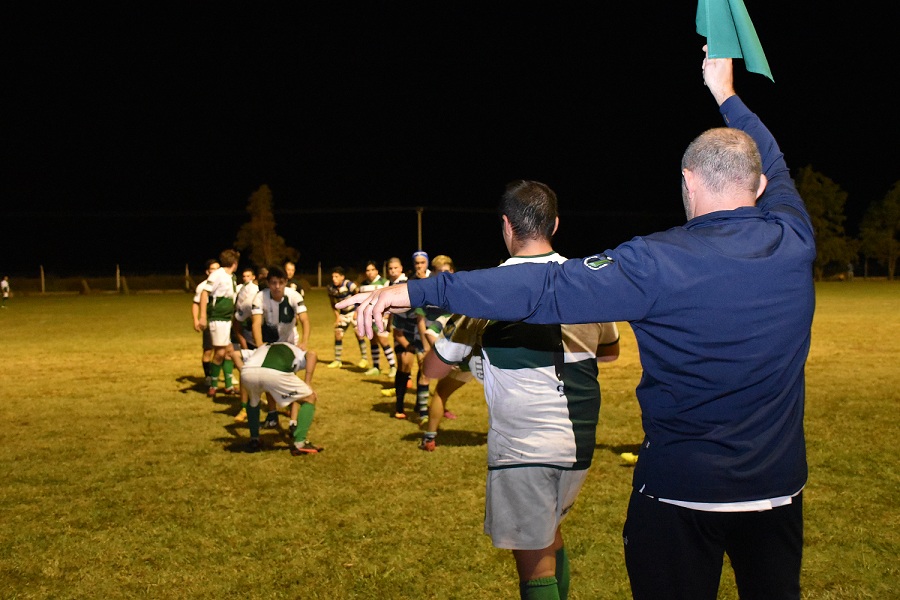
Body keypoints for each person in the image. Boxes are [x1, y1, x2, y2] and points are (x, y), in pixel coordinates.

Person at [341, 47, 814, 600]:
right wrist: (726, 93)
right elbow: (775, 158)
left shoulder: (655, 262)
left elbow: (537, 287)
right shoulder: (794, 236)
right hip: (777, 495)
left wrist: (416, 290)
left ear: (687, 180)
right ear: (758, 188)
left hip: (681, 496)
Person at [412, 180, 619, 599]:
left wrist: (456, 339)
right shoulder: (587, 282)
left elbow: (432, 369)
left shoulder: (484, 293)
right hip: (579, 442)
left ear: (506, 226)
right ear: (555, 224)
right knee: (549, 536)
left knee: (533, 564)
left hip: (527, 445)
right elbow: (609, 353)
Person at [231, 341, 323, 455]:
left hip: (248, 371)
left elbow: (234, 354)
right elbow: (312, 354)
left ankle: (254, 440)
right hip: (274, 373)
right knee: (310, 398)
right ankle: (300, 443)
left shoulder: (262, 348)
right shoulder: (296, 351)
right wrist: (307, 382)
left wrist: (244, 372)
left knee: (253, 401)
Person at [250, 265, 313, 430]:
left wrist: (304, 341)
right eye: (273, 283)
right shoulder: (260, 297)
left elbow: (305, 320)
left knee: (290, 380)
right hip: (270, 343)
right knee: (268, 379)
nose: (277, 287)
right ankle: (272, 416)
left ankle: (293, 421)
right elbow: (256, 323)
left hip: (290, 343)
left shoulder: (294, 295)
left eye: (280, 282)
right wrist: (259, 346)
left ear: (286, 282)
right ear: (268, 283)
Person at [197, 251, 241, 397]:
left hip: (227, 319)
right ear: (234, 263)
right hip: (218, 319)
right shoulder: (217, 275)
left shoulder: (232, 277)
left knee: (228, 352)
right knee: (221, 353)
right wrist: (203, 316)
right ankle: (213, 385)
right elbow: (204, 293)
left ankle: (228, 386)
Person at [358, 260, 397, 377]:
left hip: (382, 317)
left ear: (377, 271)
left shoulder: (384, 283)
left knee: (383, 340)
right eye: (368, 270)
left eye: (372, 270)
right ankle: (376, 367)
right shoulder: (363, 285)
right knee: (372, 340)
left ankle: (393, 366)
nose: (370, 273)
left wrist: (387, 315)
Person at [326, 266, 368, 369]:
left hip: (354, 311)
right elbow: (333, 304)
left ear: (342, 277)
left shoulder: (349, 285)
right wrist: (337, 316)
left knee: (359, 334)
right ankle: (337, 360)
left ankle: (364, 359)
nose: (334, 279)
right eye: (333, 276)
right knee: (338, 334)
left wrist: (357, 311)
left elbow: (359, 297)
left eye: (336, 276)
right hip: (343, 314)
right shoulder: (331, 288)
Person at [232, 266, 259, 423]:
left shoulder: (279, 300)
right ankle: (244, 408)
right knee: (246, 374)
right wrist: (244, 345)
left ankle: (282, 408)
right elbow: (237, 323)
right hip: (251, 342)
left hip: (272, 343)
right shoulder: (249, 301)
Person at [191, 259, 220, 388]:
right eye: (213, 269)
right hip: (208, 322)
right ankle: (208, 376)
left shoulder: (224, 283)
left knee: (223, 350)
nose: (216, 271)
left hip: (222, 321)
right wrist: (196, 319)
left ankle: (224, 374)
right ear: (207, 271)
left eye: (218, 268)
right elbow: (195, 304)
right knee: (208, 350)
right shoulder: (202, 286)